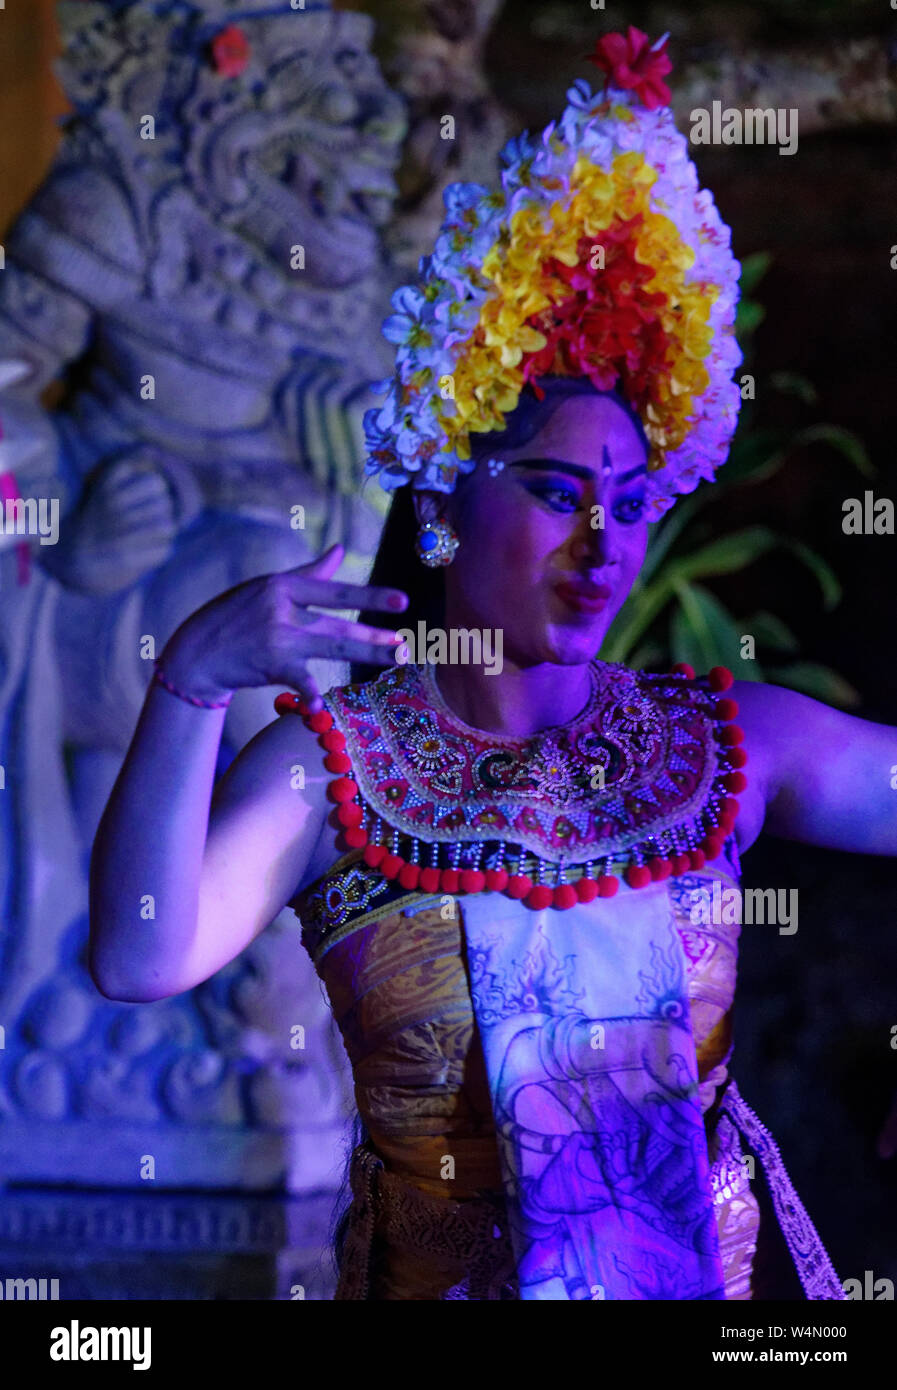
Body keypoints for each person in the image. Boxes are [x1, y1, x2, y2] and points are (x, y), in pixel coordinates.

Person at [89, 29, 896, 1300]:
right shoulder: (339, 763)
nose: (604, 544)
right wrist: (192, 674)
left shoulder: (728, 747)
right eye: (559, 494)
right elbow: (140, 957)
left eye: (629, 504)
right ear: (454, 498)